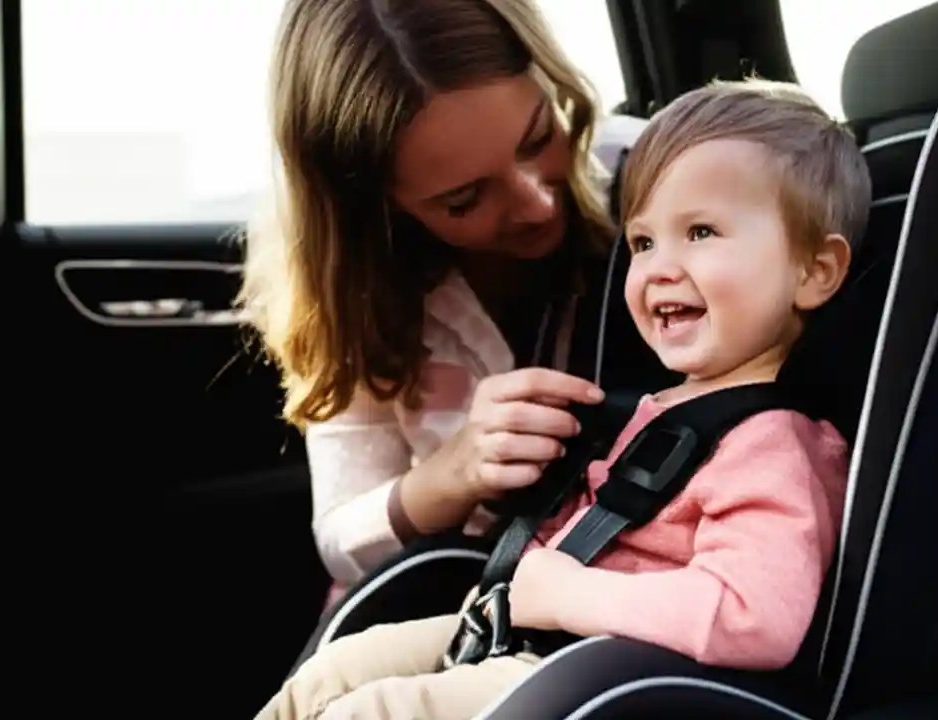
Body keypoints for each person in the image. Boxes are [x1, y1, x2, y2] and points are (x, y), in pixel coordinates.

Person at [253, 77, 874, 720]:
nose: (660, 266)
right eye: (642, 242)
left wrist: (570, 593)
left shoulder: (775, 446)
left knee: (373, 710)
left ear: (814, 271)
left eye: (702, 232)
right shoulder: (657, 410)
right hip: (525, 631)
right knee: (329, 676)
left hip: (599, 672)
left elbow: (755, 618)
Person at [237, 0, 621, 594]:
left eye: (540, 136)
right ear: (379, 209)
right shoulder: (366, 300)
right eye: (464, 199)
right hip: (451, 607)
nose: (537, 205)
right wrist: (454, 474)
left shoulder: (657, 185)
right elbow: (341, 542)